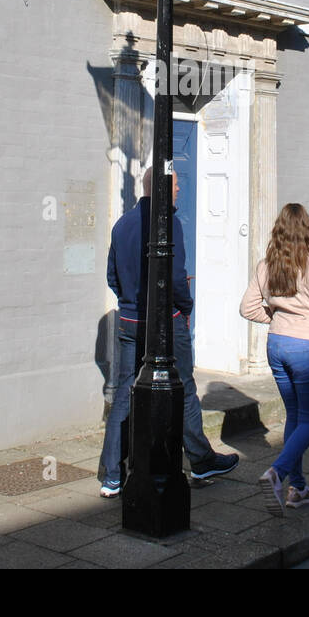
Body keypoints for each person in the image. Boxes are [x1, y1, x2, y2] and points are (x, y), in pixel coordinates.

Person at [98, 165, 238, 498]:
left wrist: (129, 302)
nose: (178, 191)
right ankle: (202, 460)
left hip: (130, 322)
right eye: (174, 187)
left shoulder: (121, 226)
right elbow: (176, 280)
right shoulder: (168, 222)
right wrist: (184, 308)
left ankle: (112, 475)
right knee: (185, 387)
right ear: (159, 189)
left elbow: (112, 276)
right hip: (165, 322)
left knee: (123, 393)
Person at [239, 203, 309, 515]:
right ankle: (277, 474)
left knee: (294, 416)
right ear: (306, 230)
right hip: (306, 347)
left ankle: (298, 488)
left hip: (276, 346)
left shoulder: (266, 266)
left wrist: (274, 316)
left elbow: (247, 307)